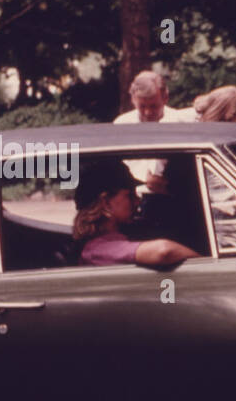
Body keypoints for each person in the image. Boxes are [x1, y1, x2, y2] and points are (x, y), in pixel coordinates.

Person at [72, 160, 200, 268]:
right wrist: (203, 263)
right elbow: (164, 251)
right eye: (129, 195)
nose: (138, 201)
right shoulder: (97, 250)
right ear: (106, 203)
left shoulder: (112, 238)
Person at [113, 70, 199, 186]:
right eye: (142, 106)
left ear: (165, 98)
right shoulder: (122, 125)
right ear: (133, 99)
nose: (148, 112)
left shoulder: (180, 123)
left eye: (154, 106)